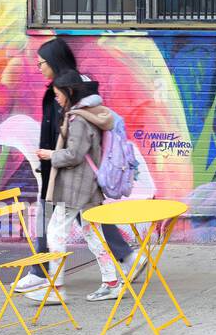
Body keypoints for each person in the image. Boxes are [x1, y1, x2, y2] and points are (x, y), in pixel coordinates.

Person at [14, 39, 133, 295]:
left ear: (68, 93)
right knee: (92, 234)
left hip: (74, 184)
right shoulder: (85, 112)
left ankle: (54, 286)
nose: (56, 99)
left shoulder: (78, 118)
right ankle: (111, 282)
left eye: (58, 95)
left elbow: (74, 154)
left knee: (56, 231)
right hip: (83, 184)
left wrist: (50, 155)